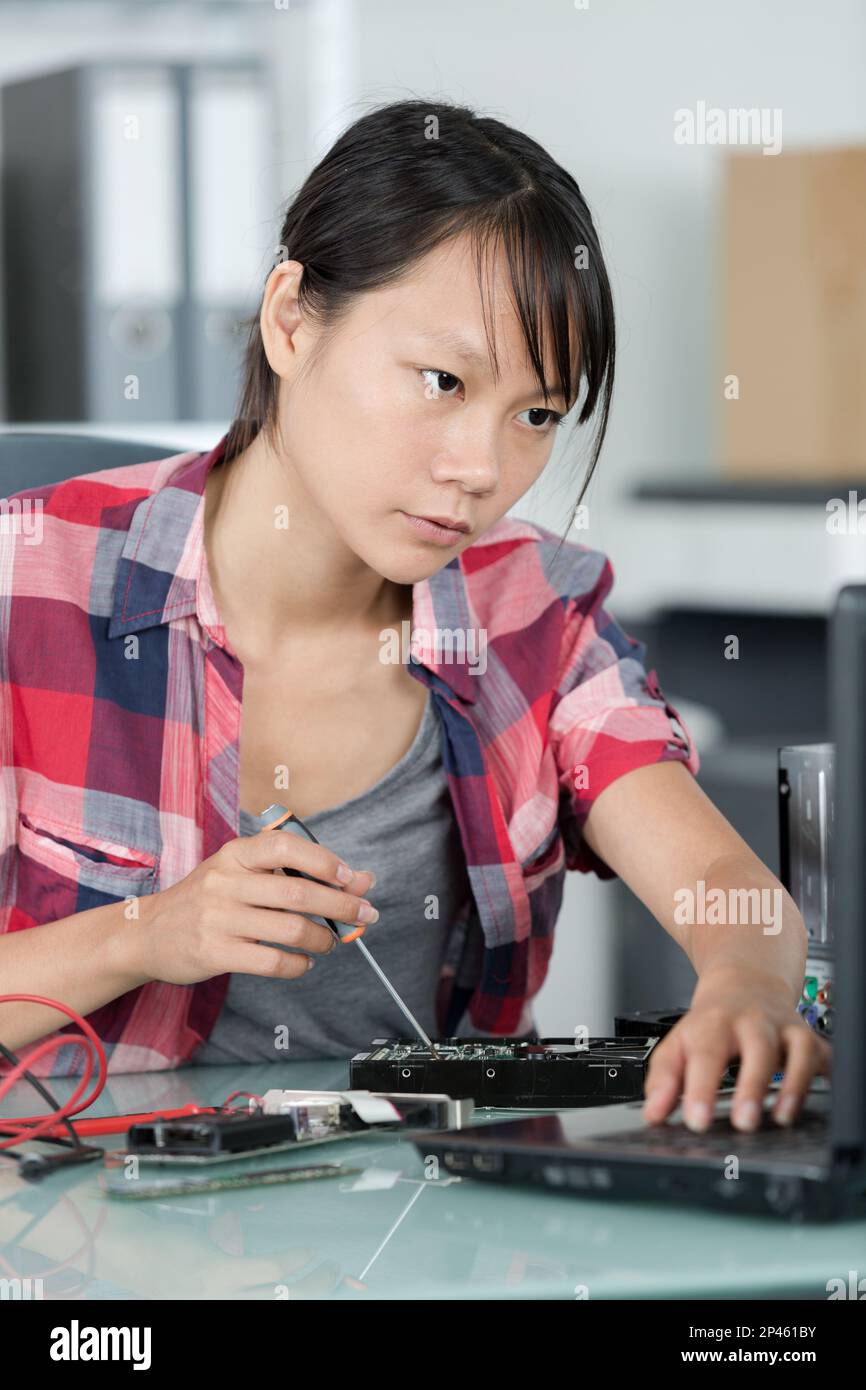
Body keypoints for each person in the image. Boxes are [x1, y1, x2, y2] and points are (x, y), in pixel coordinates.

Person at [0, 99, 829, 1131]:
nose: (480, 470)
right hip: (74, 1234)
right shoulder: (23, 582)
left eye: (535, 415)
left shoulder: (534, 612)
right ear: (291, 321)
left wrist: (744, 993)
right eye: (440, 381)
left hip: (423, 1238)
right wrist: (144, 933)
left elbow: (722, 888)